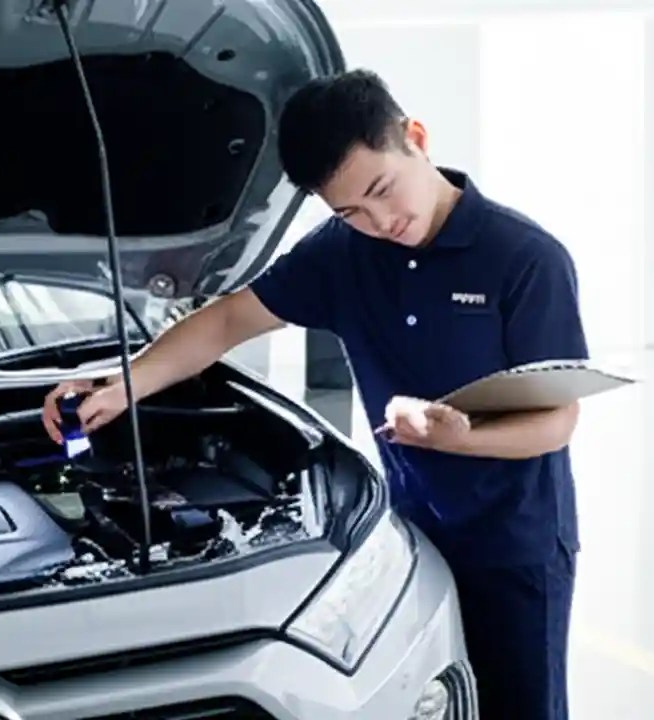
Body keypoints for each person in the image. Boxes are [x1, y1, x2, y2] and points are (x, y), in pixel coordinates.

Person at [41, 69, 587, 720]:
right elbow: (225, 320)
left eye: (381, 190)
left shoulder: (525, 259)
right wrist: (122, 385)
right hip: (406, 536)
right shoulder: (340, 255)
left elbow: (556, 422)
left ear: (415, 137)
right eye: (349, 210)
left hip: (514, 547)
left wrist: (461, 436)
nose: (380, 221)